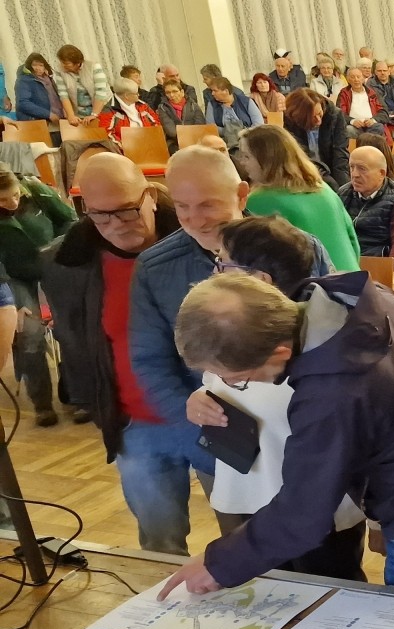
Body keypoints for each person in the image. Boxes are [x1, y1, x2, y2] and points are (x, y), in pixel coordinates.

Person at [158, 265, 394, 598]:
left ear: (280, 352)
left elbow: (304, 512)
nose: (234, 385)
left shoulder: (332, 392)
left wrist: (217, 565)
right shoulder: (351, 298)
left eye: (236, 378)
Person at [127, 148, 333, 551]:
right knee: (248, 555)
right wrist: (191, 416)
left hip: (302, 437)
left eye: (208, 204)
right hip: (222, 442)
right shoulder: (155, 268)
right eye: (182, 206)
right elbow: (149, 361)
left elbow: (330, 330)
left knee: (322, 555)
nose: (195, 219)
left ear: (241, 195)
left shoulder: (296, 246)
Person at [185, 217, 368, 580]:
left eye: (224, 263)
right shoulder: (227, 321)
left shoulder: (313, 345)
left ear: (261, 278)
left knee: (328, 587)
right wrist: (198, 398)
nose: (215, 270)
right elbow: (217, 381)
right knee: (265, 590)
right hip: (248, 487)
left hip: (314, 506)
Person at [39, 154, 191, 549]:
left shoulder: (200, 241)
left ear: (150, 196)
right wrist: (95, 404)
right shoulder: (68, 263)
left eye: (126, 211)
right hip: (136, 424)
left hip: (212, 416)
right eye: (99, 216)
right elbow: (76, 339)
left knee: (241, 534)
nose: (115, 226)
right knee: (161, 545)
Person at [0, 167, 77, 425]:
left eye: (14, 195)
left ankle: (77, 395)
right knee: (30, 333)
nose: (12, 202)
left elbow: (70, 220)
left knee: (71, 326)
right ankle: (42, 403)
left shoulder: (36, 190)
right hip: (16, 277)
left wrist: (57, 246)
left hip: (54, 264)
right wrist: (11, 304)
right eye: (2, 200)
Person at [236, 125, 361, 271]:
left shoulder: (257, 201)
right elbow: (354, 244)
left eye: (247, 156)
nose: (242, 162)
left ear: (267, 159)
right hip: (353, 281)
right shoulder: (324, 189)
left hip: (314, 289)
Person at [338, 144, 394, 290]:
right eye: (352, 167)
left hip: (389, 268)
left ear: (382, 173)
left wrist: (393, 275)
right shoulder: (343, 193)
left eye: (362, 168)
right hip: (351, 266)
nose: (354, 174)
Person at [284, 89, 351, 190]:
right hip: (305, 171)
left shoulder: (335, 116)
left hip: (332, 169)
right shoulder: (291, 120)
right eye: (313, 117)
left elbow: (340, 154)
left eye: (320, 113)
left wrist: (342, 189)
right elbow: (300, 156)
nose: (319, 120)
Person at [52, 45, 109, 125]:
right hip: (80, 113)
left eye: (66, 63)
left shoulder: (93, 66)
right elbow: (63, 95)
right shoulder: (60, 71)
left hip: (102, 109)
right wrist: (71, 115)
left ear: (78, 63)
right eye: (61, 62)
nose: (62, 65)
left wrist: (94, 114)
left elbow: (101, 92)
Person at [203, 78, 264, 148]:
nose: (212, 94)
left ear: (225, 91)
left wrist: (243, 132)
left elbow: (258, 123)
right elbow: (211, 127)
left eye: (215, 91)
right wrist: (230, 131)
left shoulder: (246, 102)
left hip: (249, 139)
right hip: (223, 142)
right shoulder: (212, 105)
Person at [97, 78, 160, 144]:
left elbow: (156, 122)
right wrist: (125, 147)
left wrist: (153, 140)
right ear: (127, 96)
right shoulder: (109, 110)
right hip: (122, 148)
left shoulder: (143, 105)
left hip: (148, 143)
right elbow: (107, 133)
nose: (138, 95)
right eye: (136, 93)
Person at [14, 54, 63, 130]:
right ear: (29, 66)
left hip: (58, 121)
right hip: (38, 123)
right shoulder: (24, 80)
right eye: (34, 65)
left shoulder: (49, 79)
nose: (38, 68)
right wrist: (48, 114)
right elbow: (23, 103)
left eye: (41, 65)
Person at [155, 77, 204, 152]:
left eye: (174, 91)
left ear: (182, 92)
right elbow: (171, 131)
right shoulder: (162, 108)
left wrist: (191, 139)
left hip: (195, 138)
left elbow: (200, 124)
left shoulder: (193, 105)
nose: (171, 95)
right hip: (174, 141)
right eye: (168, 92)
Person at [337, 66, 387, 138]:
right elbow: (340, 113)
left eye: (358, 77)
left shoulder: (372, 92)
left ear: (363, 79)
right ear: (348, 79)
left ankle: (366, 145)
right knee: (348, 130)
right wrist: (352, 121)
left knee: (379, 127)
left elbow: (384, 112)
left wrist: (373, 120)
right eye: (352, 77)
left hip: (371, 125)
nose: (356, 79)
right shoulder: (344, 93)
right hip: (353, 126)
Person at [371, 61, 394, 130]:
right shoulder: (370, 85)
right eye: (379, 71)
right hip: (380, 115)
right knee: (379, 129)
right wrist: (385, 115)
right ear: (375, 72)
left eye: (384, 70)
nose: (382, 73)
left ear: (389, 72)